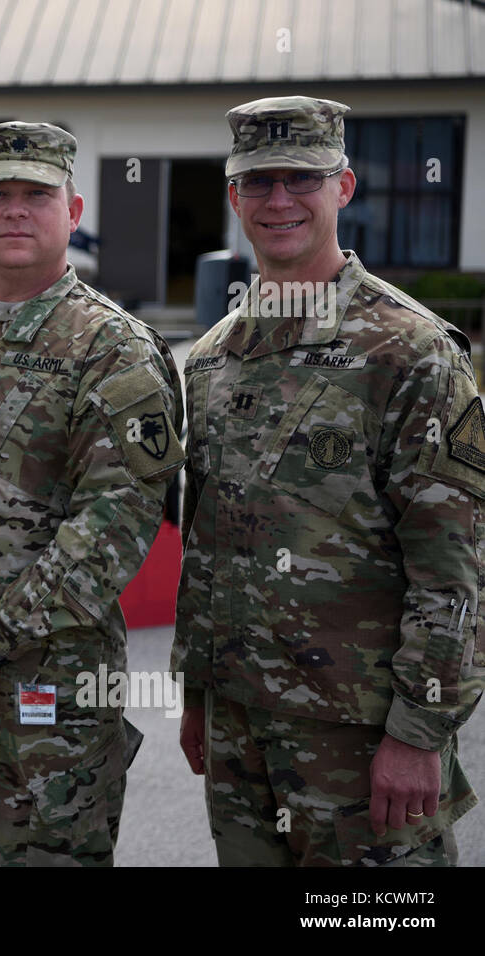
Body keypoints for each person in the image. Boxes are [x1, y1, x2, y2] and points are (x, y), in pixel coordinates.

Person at [173, 95, 484, 866]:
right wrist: (197, 694)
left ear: (342, 187)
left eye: (302, 179)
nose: (280, 200)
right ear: (234, 195)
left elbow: (456, 570)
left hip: (359, 739)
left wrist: (420, 734)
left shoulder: (410, 352)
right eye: (260, 181)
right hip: (240, 727)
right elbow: (206, 541)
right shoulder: (214, 355)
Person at [0, 121, 185, 866]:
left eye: (37, 195)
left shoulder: (113, 347)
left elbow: (115, 523)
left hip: (44, 703)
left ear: (73, 212)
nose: (16, 210)